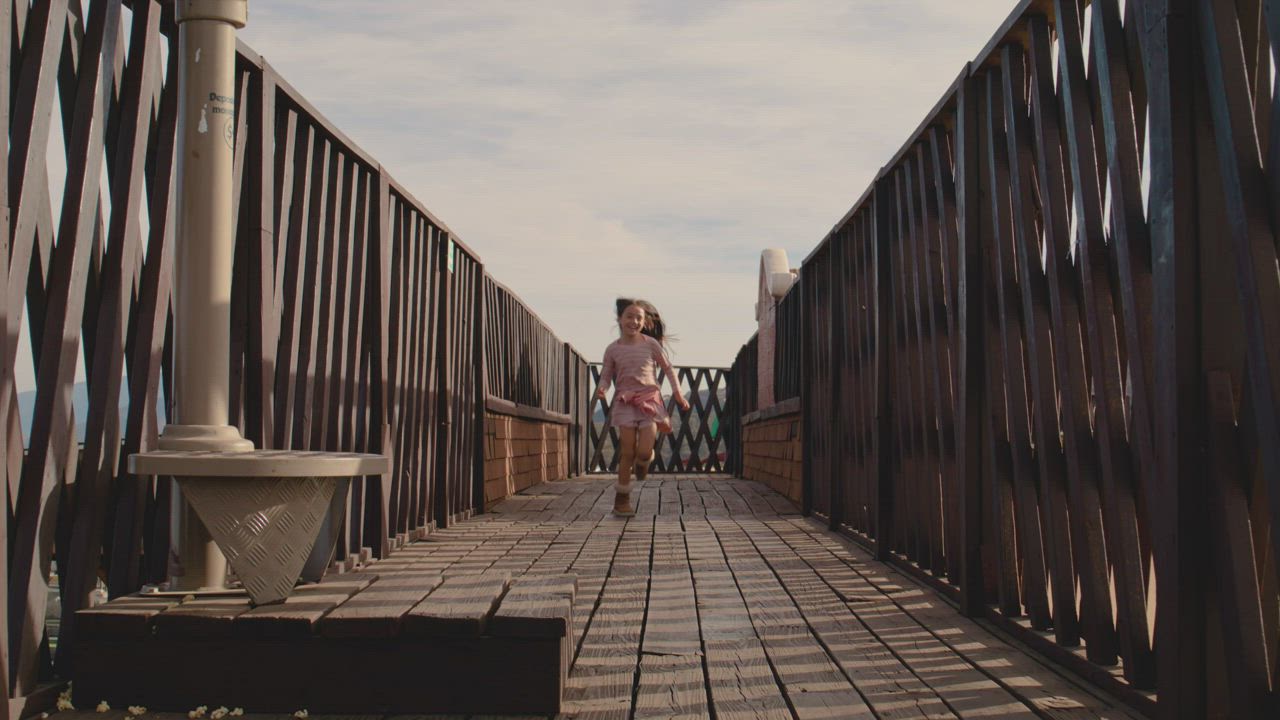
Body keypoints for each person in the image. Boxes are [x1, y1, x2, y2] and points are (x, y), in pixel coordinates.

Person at [595, 298, 690, 517]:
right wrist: (602, 388)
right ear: (620, 319)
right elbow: (606, 375)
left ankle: (644, 461)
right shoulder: (612, 350)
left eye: (639, 317)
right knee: (627, 451)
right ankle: (622, 501)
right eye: (630, 316)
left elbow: (667, 368)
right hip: (625, 402)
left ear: (644, 322)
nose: (634, 321)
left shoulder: (650, 344)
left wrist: (677, 394)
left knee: (645, 451)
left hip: (650, 400)